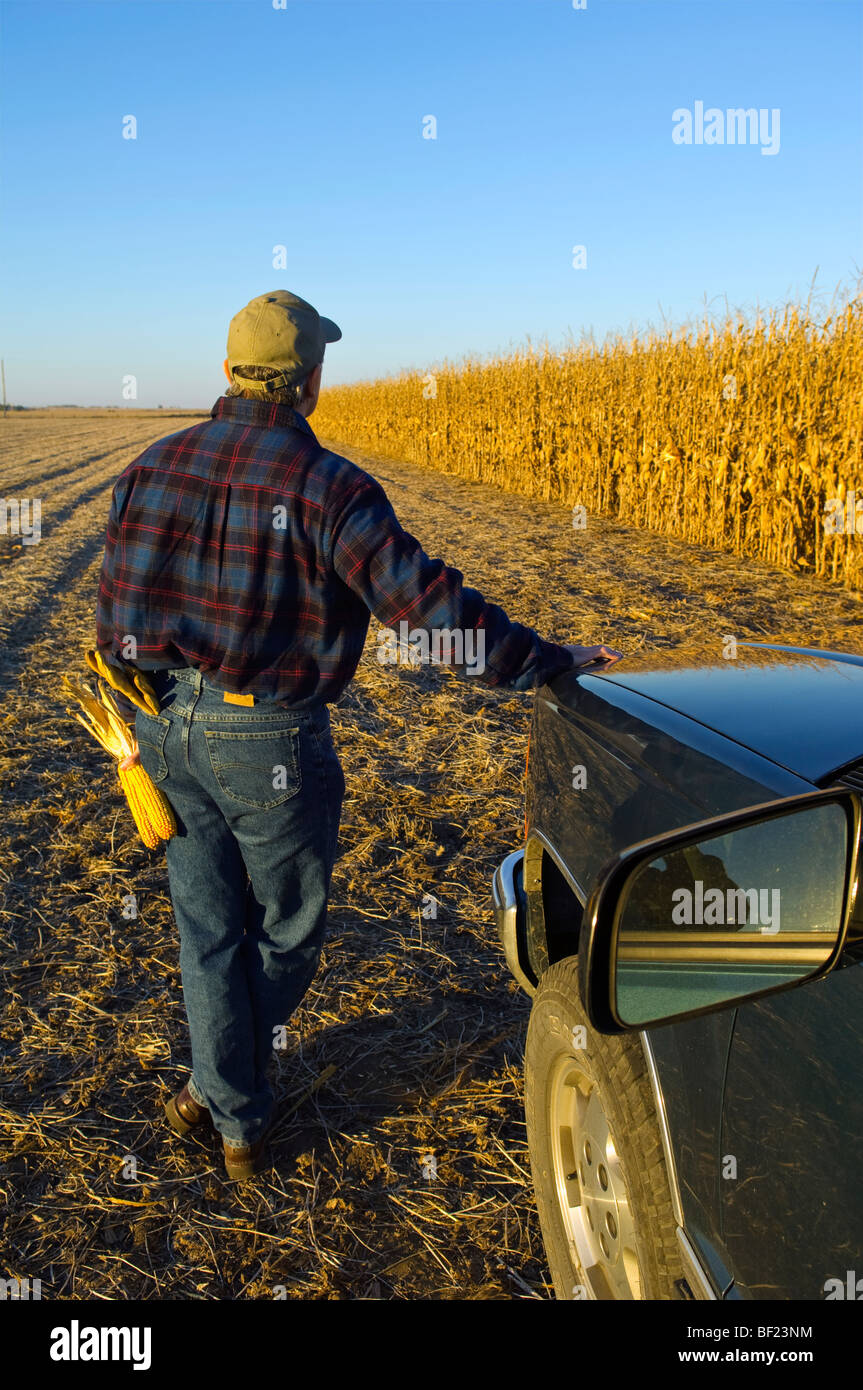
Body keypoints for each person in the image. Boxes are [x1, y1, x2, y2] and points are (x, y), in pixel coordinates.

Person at [94, 289, 622, 1180]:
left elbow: (115, 612)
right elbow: (428, 611)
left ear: (228, 373)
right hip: (266, 740)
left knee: (208, 930)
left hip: (161, 726)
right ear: (310, 384)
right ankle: (232, 1108)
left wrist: (147, 713)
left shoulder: (152, 466)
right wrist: (543, 661)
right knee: (289, 930)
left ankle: (221, 1095)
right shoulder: (329, 487)